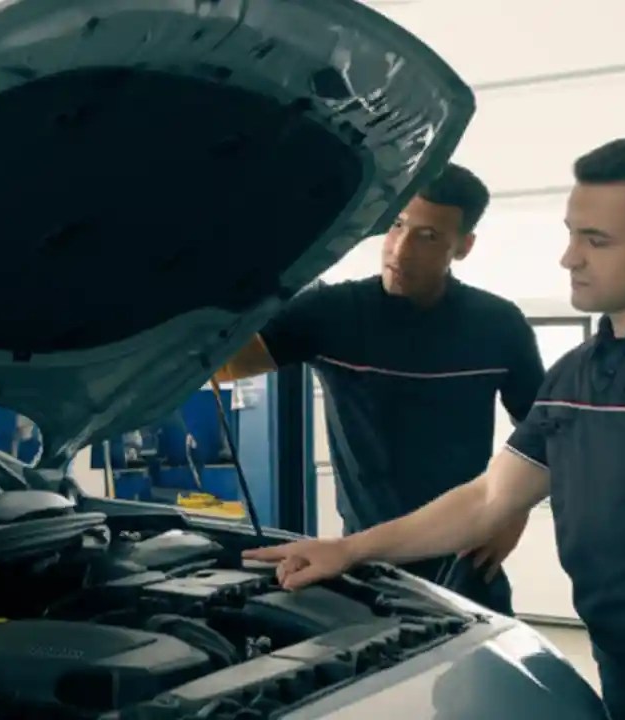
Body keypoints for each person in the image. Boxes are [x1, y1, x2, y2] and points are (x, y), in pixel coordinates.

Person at [244, 138, 625, 720]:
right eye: (571, 234)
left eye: (596, 241)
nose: (570, 258)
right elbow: (491, 497)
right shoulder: (576, 374)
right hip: (620, 665)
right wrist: (348, 548)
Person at [215, 163, 546, 615]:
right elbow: (220, 366)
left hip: (466, 561)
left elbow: (545, 433)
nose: (400, 249)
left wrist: (512, 512)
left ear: (463, 247)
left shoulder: (498, 325)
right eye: (396, 225)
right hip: (363, 557)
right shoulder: (331, 313)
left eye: (428, 236)